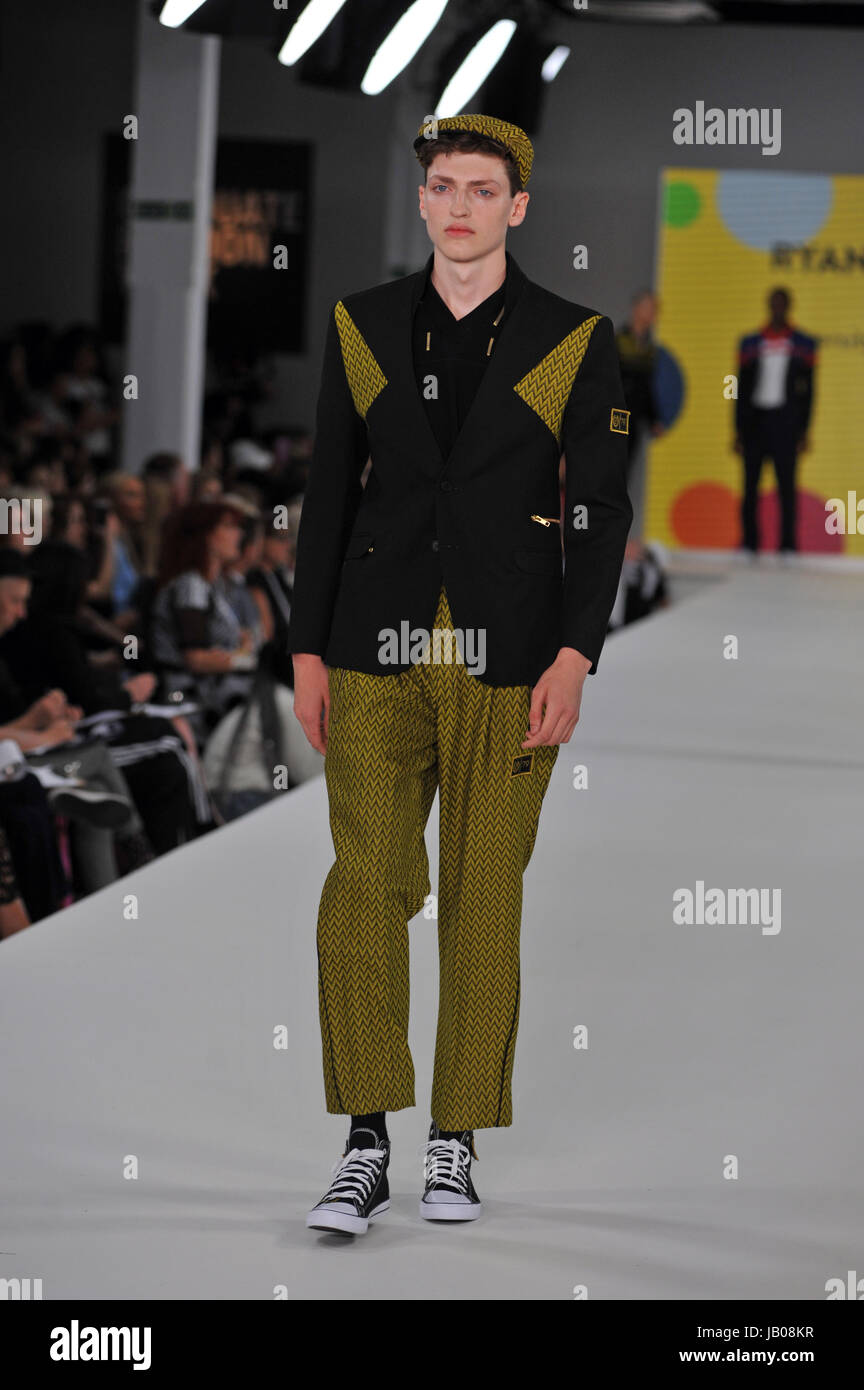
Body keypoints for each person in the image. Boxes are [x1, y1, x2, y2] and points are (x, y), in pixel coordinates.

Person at [287, 114, 633, 1235]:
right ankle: (362, 1141)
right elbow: (328, 489)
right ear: (425, 199)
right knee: (365, 884)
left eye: (483, 190)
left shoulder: (574, 338)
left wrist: (578, 650)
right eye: (444, 186)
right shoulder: (363, 323)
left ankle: (455, 1140)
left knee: (484, 902)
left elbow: (598, 508)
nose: (460, 206)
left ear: (517, 207)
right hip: (372, 642)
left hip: (513, 649)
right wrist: (304, 644)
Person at [734, 287, 817, 556]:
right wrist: (737, 429)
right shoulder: (750, 343)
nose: (777, 308)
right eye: (774, 303)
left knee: (787, 487)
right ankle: (749, 543)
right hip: (755, 422)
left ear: (789, 307)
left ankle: (788, 545)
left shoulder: (803, 343)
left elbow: (810, 392)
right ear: (768, 306)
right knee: (750, 486)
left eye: (782, 303)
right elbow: (736, 389)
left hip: (786, 423)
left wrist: (804, 430)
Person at [615, 290, 665, 484]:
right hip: (617, 414)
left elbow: (647, 387)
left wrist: (654, 419)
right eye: (650, 308)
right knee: (614, 464)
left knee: (625, 468)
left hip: (635, 418)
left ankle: (616, 513)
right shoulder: (618, 341)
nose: (653, 314)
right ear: (636, 309)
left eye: (656, 310)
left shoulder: (650, 349)